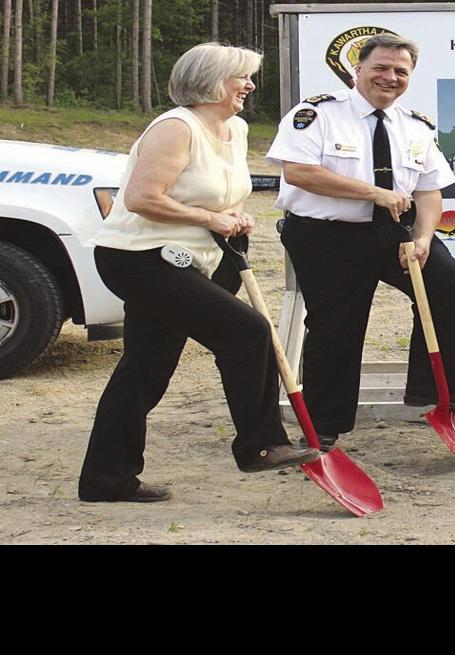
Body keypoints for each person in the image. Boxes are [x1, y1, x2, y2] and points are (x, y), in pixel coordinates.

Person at [80, 43, 319, 503]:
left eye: (250, 76)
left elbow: (219, 191)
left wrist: (233, 214)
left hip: (196, 258)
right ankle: (261, 446)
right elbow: (142, 198)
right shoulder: (175, 127)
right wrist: (212, 219)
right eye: (241, 77)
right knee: (249, 332)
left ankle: (106, 479)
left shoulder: (236, 127)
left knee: (145, 369)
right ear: (210, 80)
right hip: (139, 258)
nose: (249, 85)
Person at [266, 34, 455, 451]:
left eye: (401, 71)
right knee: (336, 326)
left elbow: (430, 191)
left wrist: (422, 239)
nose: (390, 77)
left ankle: (432, 389)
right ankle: (324, 426)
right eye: (381, 67)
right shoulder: (318, 114)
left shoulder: (415, 126)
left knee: (449, 284)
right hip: (327, 235)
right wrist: (373, 193)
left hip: (395, 232)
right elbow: (299, 173)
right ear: (357, 70)